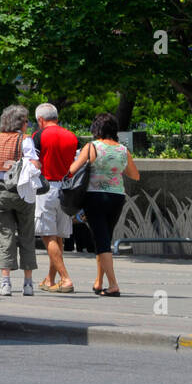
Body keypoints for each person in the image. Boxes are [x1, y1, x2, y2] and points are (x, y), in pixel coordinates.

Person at [67, 112, 140, 296]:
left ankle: (113, 285)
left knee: (102, 241)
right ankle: (99, 282)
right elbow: (135, 175)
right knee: (104, 238)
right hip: (116, 197)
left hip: (95, 197)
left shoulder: (92, 147)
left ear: (96, 129)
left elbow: (72, 170)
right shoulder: (123, 150)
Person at [0, 104, 38, 295]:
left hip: (1, 189)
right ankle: (28, 284)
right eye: (26, 121)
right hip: (22, 192)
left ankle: (5, 282)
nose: (27, 124)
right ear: (20, 122)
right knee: (26, 235)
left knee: (5, 235)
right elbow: (33, 163)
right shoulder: (25, 140)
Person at [31, 102, 80, 293]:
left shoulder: (38, 136)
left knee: (48, 235)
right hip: (67, 189)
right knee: (58, 235)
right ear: (57, 118)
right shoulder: (72, 136)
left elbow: (34, 163)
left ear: (41, 120)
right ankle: (50, 279)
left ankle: (65, 278)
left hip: (46, 188)